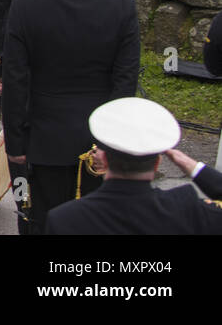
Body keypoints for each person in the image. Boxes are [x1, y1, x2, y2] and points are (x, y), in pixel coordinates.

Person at [2, 0, 140, 235]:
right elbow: (124, 83)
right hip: (97, 144)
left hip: (43, 141)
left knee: (39, 222)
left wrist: (15, 145)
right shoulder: (122, 9)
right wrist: (112, 143)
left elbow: (15, 81)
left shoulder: (25, 5)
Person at [46, 98, 222, 235]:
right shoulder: (189, 211)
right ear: (157, 163)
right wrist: (192, 165)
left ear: (104, 161)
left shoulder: (64, 219)